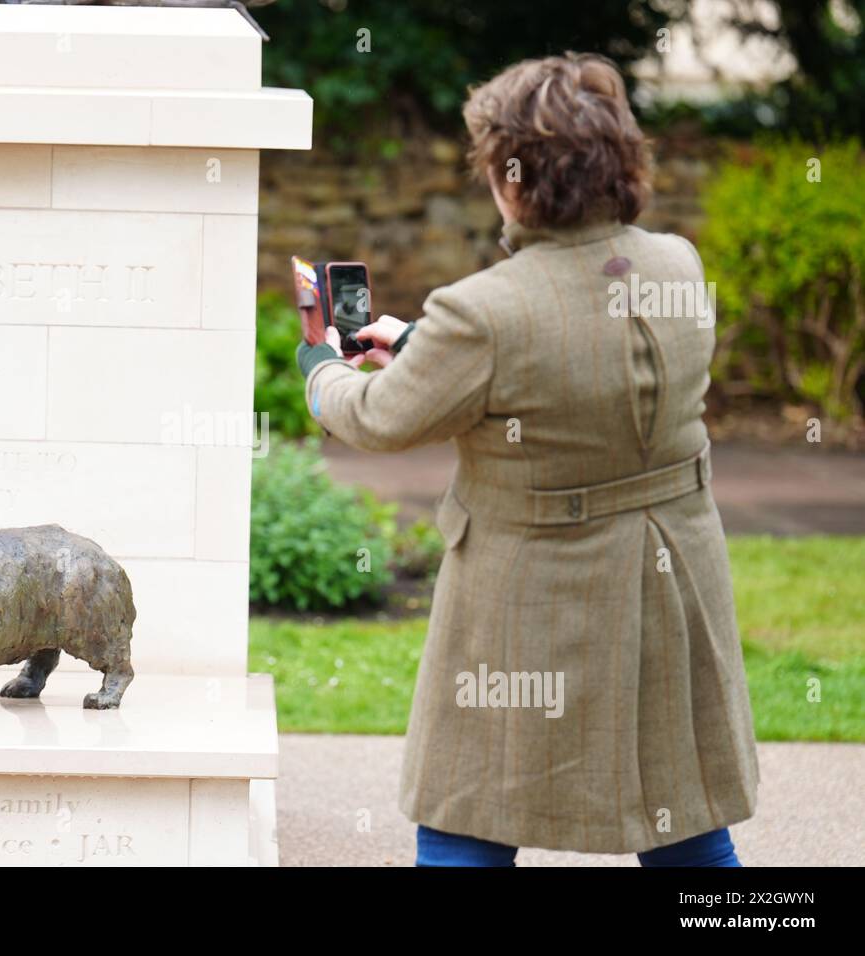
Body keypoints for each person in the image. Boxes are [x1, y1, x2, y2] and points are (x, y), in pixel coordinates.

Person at [297, 53, 759, 867]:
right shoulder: (675, 265)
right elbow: (589, 381)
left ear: (517, 177)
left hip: (532, 595)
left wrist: (320, 371)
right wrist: (421, 346)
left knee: (467, 804)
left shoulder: (484, 311)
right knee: (678, 807)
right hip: (671, 580)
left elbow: (378, 417)